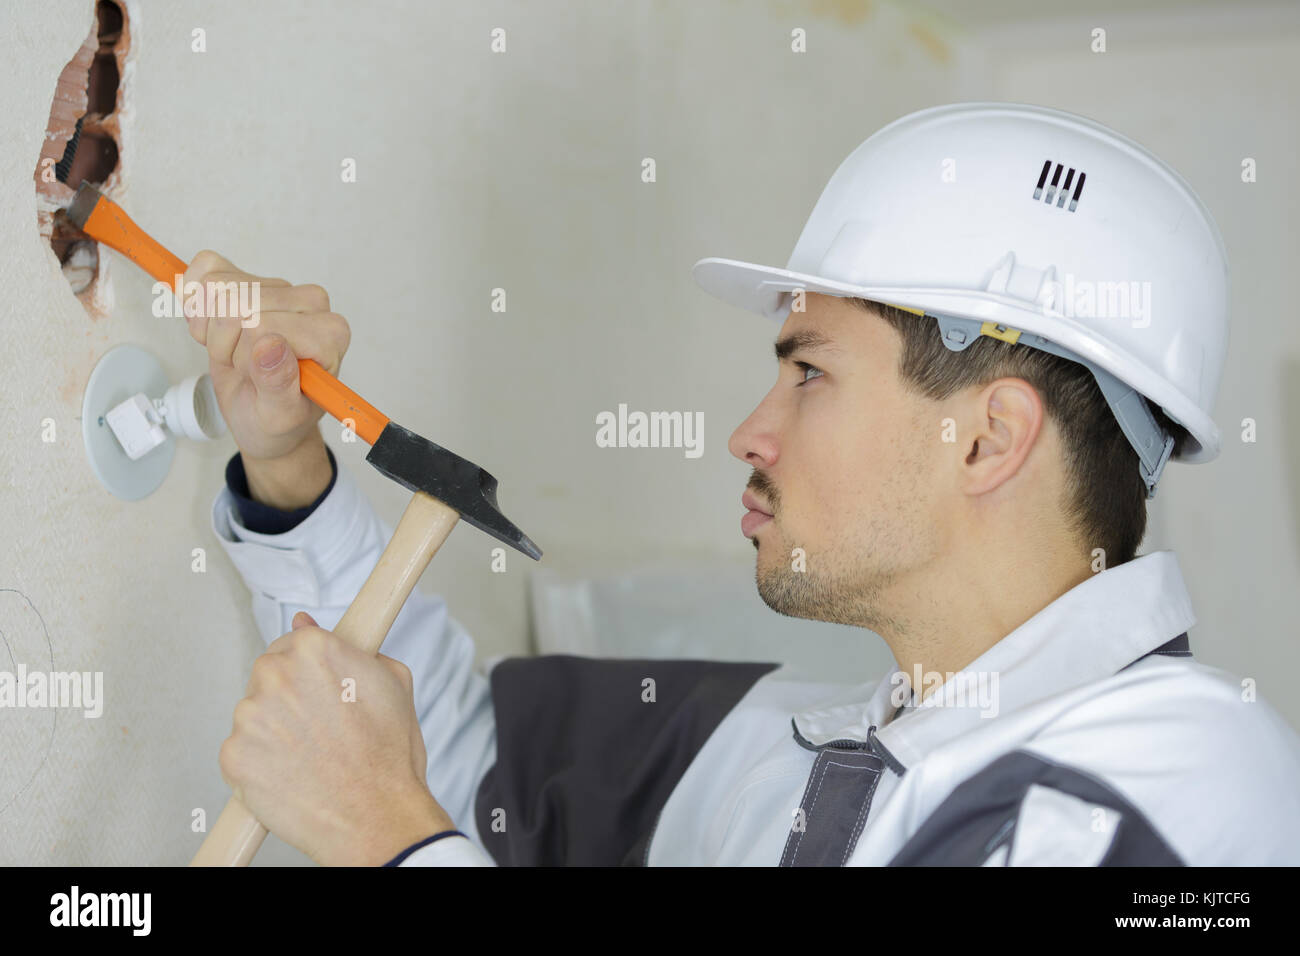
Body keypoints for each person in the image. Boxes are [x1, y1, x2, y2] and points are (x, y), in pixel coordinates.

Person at [197, 103, 1300, 866]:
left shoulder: (1175, 794)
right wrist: (287, 461)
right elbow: (454, 759)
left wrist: (386, 837)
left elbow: (397, 802)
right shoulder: (781, 755)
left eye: (809, 370)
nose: (747, 434)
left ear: (985, 438)